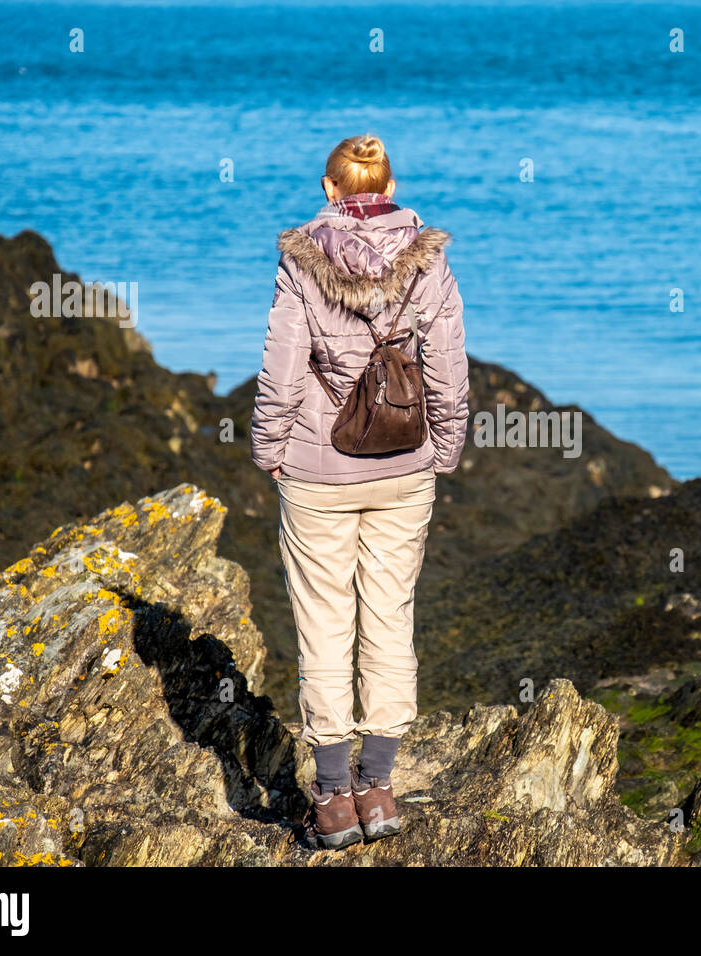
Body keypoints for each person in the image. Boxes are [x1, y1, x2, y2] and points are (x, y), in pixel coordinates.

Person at [250, 134, 469, 849]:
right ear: (393, 183)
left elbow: (282, 370)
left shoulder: (301, 258)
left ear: (327, 188)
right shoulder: (427, 256)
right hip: (404, 467)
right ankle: (380, 792)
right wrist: (446, 445)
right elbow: (448, 364)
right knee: (389, 618)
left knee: (324, 627)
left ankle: (334, 799)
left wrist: (269, 448)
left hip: (318, 473)